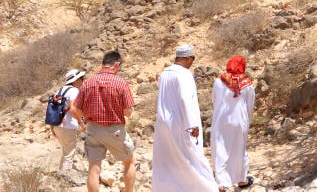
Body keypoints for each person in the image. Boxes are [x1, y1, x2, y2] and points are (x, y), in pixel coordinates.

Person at [151, 44, 218, 192]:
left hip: (163, 123)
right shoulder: (184, 74)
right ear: (188, 58)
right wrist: (192, 124)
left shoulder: (164, 73)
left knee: (168, 158)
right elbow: (185, 99)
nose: (192, 62)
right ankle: (207, 188)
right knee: (193, 155)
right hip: (180, 122)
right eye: (192, 59)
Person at [72, 50, 136, 192]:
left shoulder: (88, 83)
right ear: (116, 64)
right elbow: (128, 112)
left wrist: (85, 120)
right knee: (129, 162)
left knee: (94, 168)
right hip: (115, 129)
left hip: (93, 129)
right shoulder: (121, 83)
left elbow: (76, 109)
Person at [211, 55, 255, 190]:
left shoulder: (219, 81)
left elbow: (214, 100)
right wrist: (246, 120)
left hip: (221, 120)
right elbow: (250, 105)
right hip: (239, 120)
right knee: (239, 148)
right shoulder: (247, 84)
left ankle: (221, 182)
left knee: (220, 148)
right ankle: (241, 179)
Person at [51, 68, 87, 172]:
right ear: (75, 80)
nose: (83, 80)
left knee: (66, 152)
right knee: (69, 153)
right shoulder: (74, 91)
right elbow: (73, 109)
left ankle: (60, 174)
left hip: (57, 126)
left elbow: (52, 109)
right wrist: (82, 124)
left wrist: (52, 127)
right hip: (68, 126)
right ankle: (64, 180)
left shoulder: (59, 90)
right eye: (81, 78)